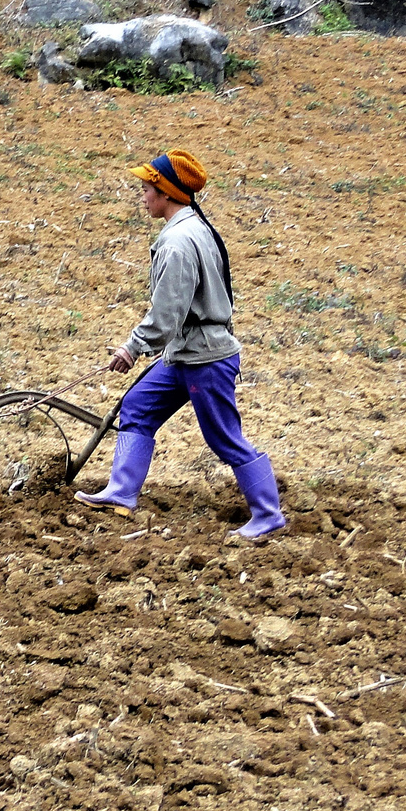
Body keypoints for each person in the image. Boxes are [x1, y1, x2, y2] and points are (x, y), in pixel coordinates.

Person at [75, 150, 286, 541]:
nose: (142, 197)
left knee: (224, 438)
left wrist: (132, 348)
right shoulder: (193, 227)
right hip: (186, 352)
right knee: (137, 406)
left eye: (146, 189)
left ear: (166, 193)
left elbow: (166, 315)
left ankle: (268, 514)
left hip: (205, 358)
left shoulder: (177, 243)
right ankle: (121, 493)